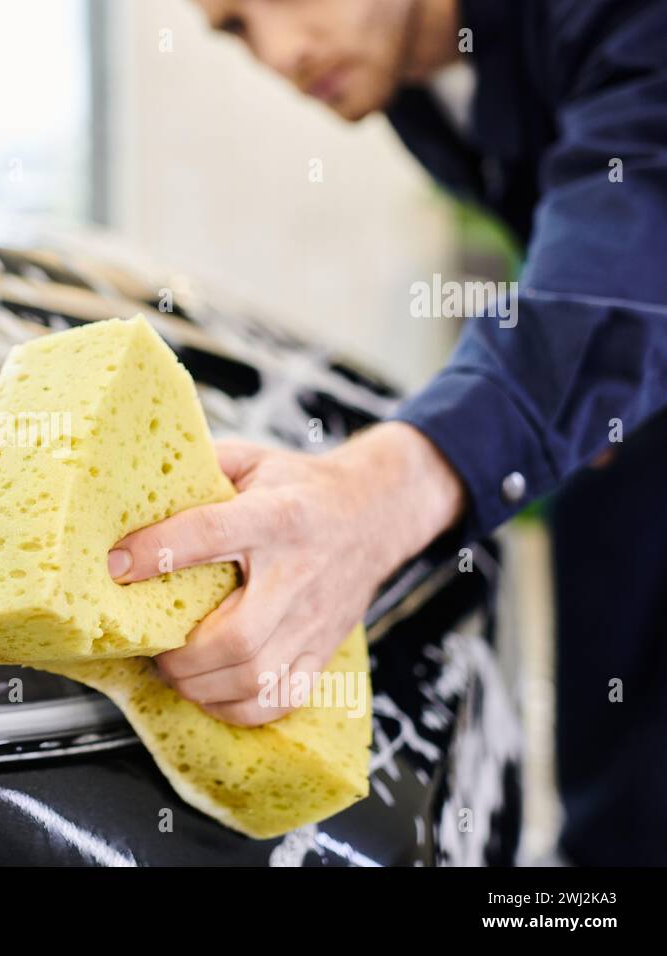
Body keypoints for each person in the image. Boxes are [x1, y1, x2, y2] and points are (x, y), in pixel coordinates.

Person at [106, 0, 667, 865]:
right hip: (633, 418)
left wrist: (385, 489)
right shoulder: (408, 79)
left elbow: (633, 230)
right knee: (612, 792)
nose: (284, 53)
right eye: (235, 29)